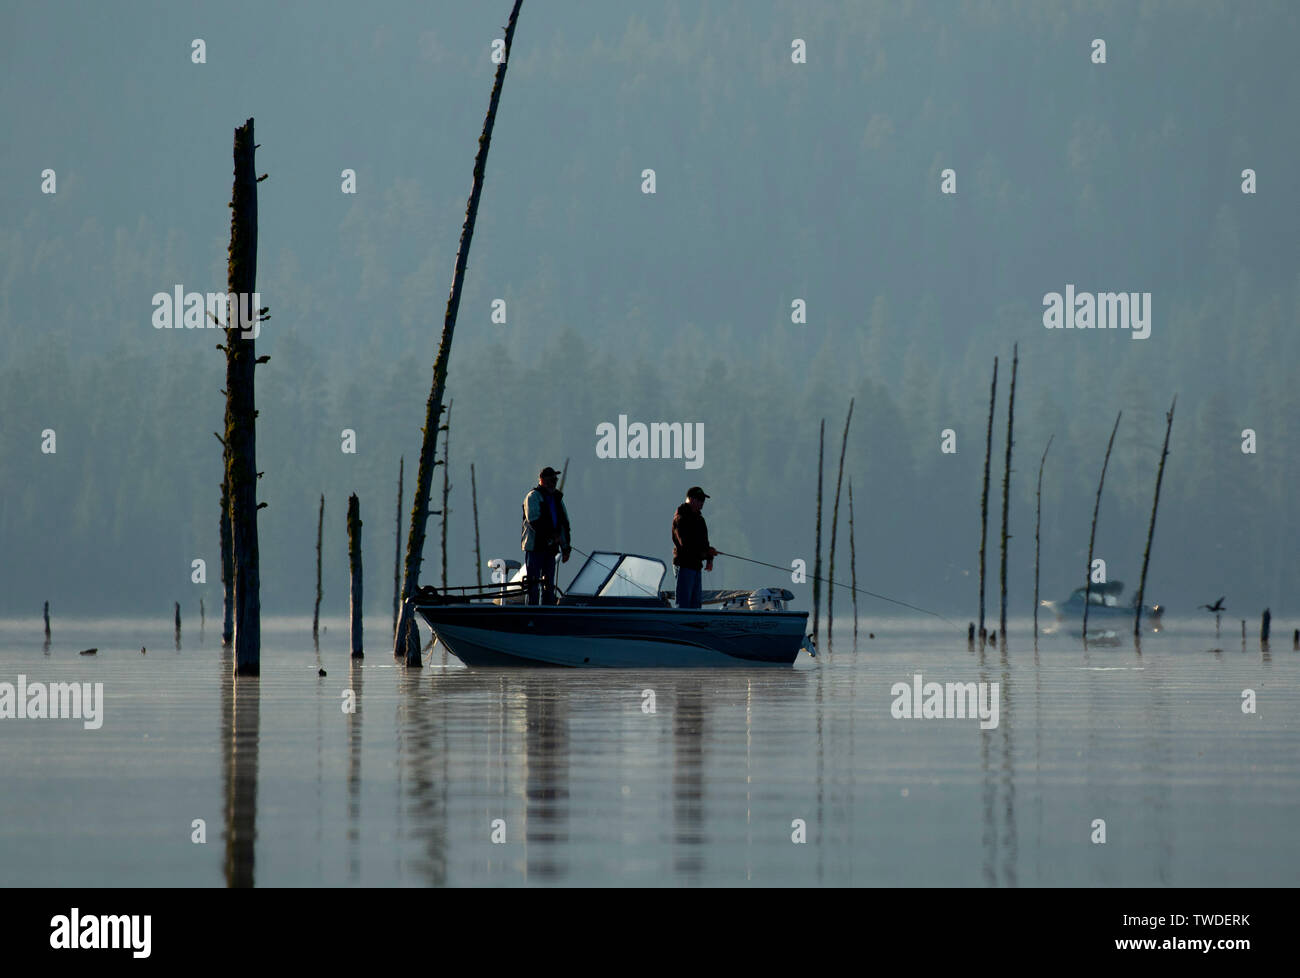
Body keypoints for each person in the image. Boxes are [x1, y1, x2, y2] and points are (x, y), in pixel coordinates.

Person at [521, 466, 571, 605]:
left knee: (548, 583)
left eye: (555, 479)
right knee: (534, 583)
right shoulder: (533, 497)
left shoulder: (557, 498)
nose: (554, 482)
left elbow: (564, 525)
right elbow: (534, 521)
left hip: (550, 549)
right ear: (542, 480)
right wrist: (550, 536)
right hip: (535, 547)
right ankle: (533, 610)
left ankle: (548, 608)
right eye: (551, 479)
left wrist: (566, 548)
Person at [671, 486, 718, 609]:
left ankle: (693, 627)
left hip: (696, 566)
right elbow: (686, 545)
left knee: (696, 606)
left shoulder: (700, 519)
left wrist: (709, 558)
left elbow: (704, 543)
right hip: (684, 565)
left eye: (703, 500)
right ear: (690, 499)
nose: (702, 503)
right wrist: (705, 554)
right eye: (699, 499)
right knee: (684, 605)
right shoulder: (681, 518)